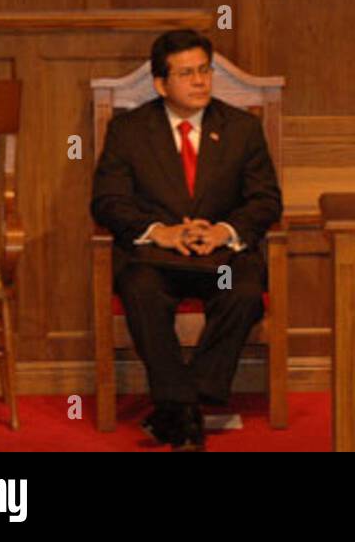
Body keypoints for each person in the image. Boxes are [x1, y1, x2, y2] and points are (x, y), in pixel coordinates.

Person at [91, 29, 282, 451]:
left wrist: (223, 232)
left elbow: (266, 200)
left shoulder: (241, 129)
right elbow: (107, 202)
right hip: (156, 261)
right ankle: (187, 406)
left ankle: (178, 407)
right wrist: (161, 232)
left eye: (204, 71)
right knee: (140, 291)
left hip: (222, 265)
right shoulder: (128, 131)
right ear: (161, 84)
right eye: (186, 74)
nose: (199, 82)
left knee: (245, 291)